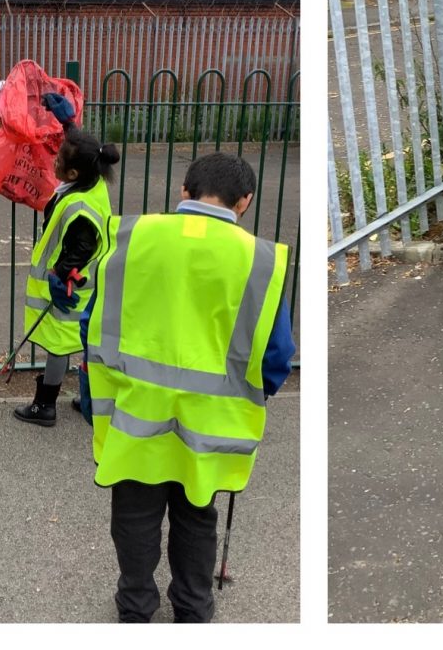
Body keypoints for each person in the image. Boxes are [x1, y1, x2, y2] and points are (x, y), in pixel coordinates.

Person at [84, 152, 296, 623]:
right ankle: (193, 607)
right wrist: (259, 391)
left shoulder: (132, 236)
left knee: (135, 514)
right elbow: (277, 353)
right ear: (245, 201)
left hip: (134, 409)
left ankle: (135, 606)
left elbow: (93, 322)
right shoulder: (260, 260)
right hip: (210, 422)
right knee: (196, 514)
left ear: (184, 192)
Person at [12, 92, 119, 426]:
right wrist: (68, 122)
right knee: (86, 339)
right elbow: (81, 147)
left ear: (72, 173)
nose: (53, 163)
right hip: (86, 283)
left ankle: (45, 406)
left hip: (72, 286)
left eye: (58, 162)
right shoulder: (92, 177)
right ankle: (90, 398)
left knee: (60, 344)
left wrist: (62, 275)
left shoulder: (82, 209)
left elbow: (81, 248)